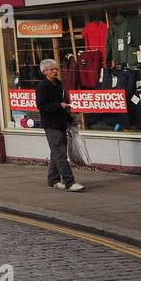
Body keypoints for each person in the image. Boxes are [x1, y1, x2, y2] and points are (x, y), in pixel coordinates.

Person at [36, 58, 83, 191]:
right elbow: (42, 106)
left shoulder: (58, 84)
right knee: (61, 154)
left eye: (56, 68)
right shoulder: (42, 86)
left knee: (56, 153)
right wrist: (58, 105)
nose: (55, 71)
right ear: (45, 71)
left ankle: (53, 180)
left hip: (61, 123)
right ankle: (69, 182)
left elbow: (62, 105)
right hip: (51, 124)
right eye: (52, 69)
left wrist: (70, 119)